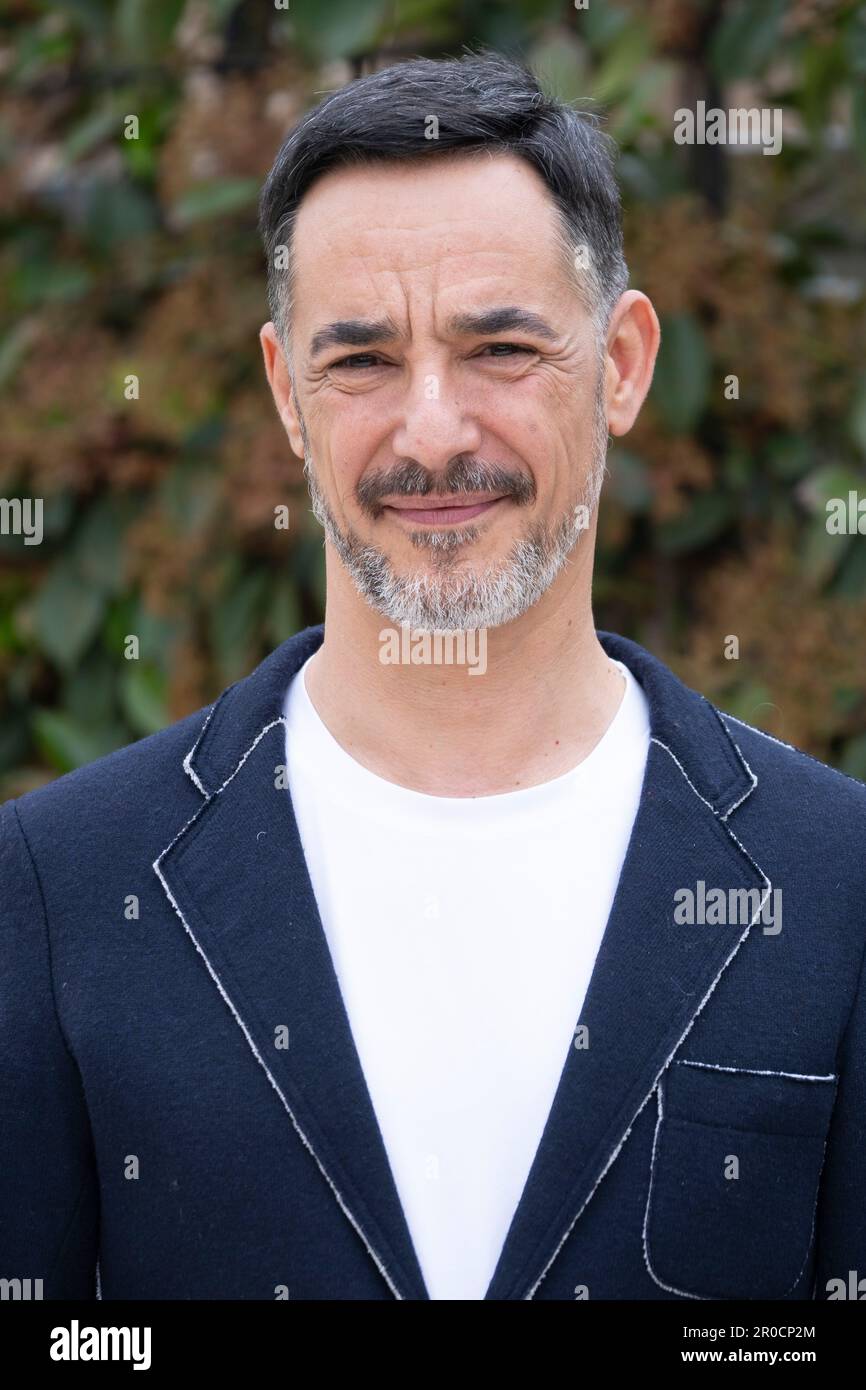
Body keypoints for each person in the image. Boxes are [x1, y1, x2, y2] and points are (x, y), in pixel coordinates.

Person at [1, 50, 864, 1303]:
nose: (432, 432)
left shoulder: (833, 881)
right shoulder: (57, 887)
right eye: (358, 362)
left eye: (500, 347)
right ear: (285, 394)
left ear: (619, 366)